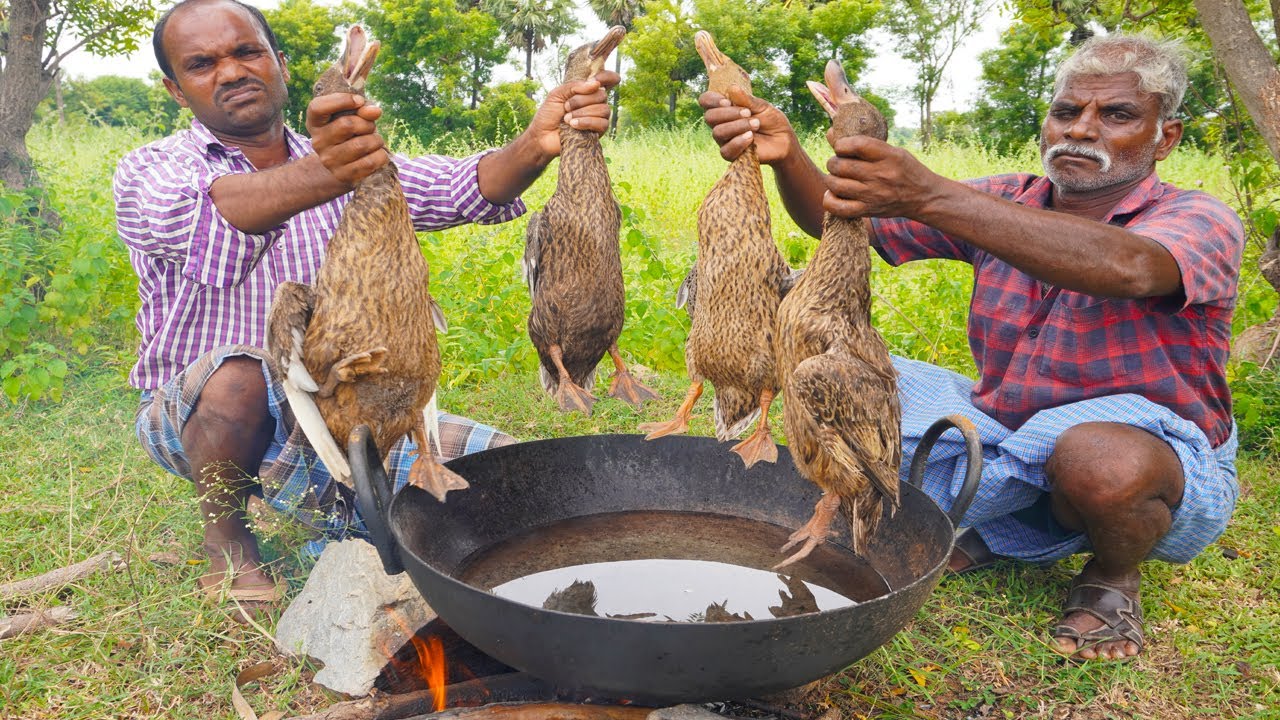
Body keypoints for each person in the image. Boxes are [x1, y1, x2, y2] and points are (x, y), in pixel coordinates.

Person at [700, 35, 1242, 661]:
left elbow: (1130, 268)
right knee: (825, 384)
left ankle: (1112, 575)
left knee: (1100, 463)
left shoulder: (1201, 218)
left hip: (1146, 447)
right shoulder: (1006, 199)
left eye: (1117, 115)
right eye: (1067, 112)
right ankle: (1018, 522)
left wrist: (931, 194)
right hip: (1005, 426)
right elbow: (849, 221)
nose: (1081, 130)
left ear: (1165, 138)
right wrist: (787, 153)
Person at [114, 0, 619, 619]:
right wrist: (328, 171)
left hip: (351, 407)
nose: (231, 71)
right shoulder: (151, 171)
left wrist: (538, 143)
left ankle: (373, 525)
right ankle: (229, 540)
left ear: (280, 64)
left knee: (513, 475)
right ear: (175, 88)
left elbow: (466, 185)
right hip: (211, 416)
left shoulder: (358, 163)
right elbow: (217, 217)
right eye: (202, 64)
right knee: (238, 374)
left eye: (246, 52)